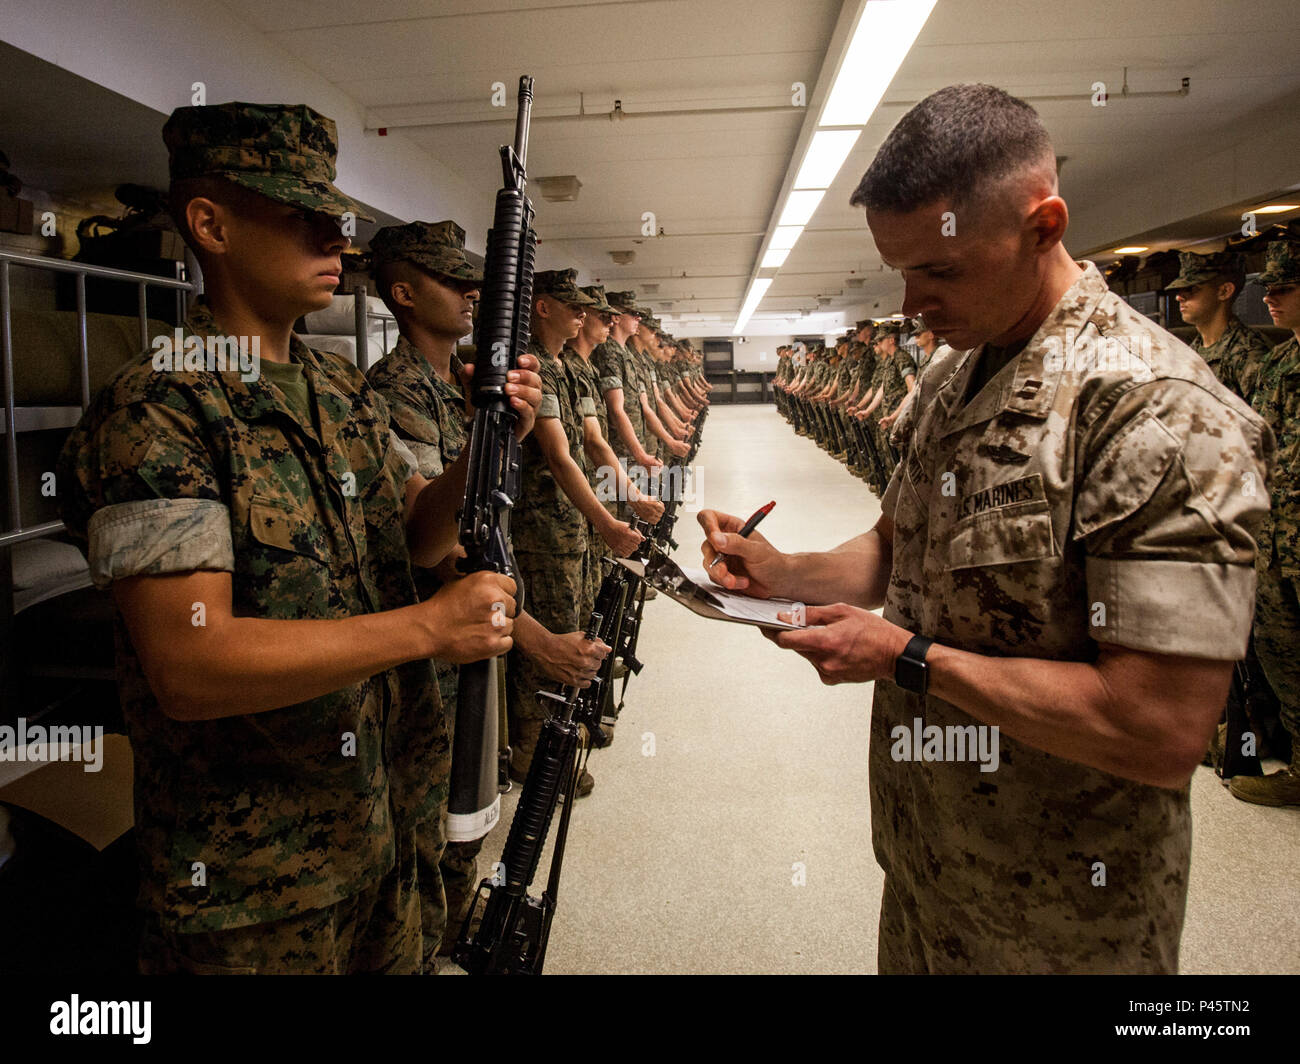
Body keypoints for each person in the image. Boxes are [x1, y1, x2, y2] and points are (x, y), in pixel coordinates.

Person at [699, 83, 1271, 974]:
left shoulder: (1157, 414)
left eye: (941, 270)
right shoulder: (952, 377)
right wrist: (788, 573)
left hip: (1061, 917)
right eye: (901, 269)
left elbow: (1160, 730)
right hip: (928, 867)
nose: (913, 300)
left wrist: (906, 659)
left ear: (1044, 226)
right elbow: (899, 545)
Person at [57, 102, 541, 974]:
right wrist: (429, 629)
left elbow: (415, 537)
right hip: (255, 887)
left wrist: (483, 446)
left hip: (385, 822)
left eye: (337, 219)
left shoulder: (337, 386)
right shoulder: (161, 408)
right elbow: (189, 667)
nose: (339, 242)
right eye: (303, 217)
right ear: (211, 224)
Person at [364, 220, 607, 965]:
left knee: (460, 798)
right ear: (403, 294)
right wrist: (538, 640)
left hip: (471, 628)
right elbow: (439, 550)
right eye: (449, 280)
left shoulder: (460, 383)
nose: (470, 293)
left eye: (475, 281)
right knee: (431, 810)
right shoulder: (392, 391)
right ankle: (433, 936)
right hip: (425, 635)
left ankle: (447, 924)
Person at [508, 269, 641, 795]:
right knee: (551, 642)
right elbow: (560, 456)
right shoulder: (533, 365)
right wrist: (609, 518)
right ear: (542, 307)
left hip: (574, 523)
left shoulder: (570, 369)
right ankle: (534, 756)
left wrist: (616, 505)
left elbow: (591, 441)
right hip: (542, 526)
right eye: (573, 305)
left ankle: (564, 734)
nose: (585, 315)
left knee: (582, 625)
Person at [1229, 239, 1300, 806]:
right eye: (1268, 289)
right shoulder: (1277, 364)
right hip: (1276, 540)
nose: (1271, 299)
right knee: (1281, 654)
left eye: (1284, 289)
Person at [1168, 250, 1270, 397]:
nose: (1179, 297)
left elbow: (1259, 418)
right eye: (1180, 290)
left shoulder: (1248, 352)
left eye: (1191, 289)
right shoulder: (1191, 351)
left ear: (1224, 291)